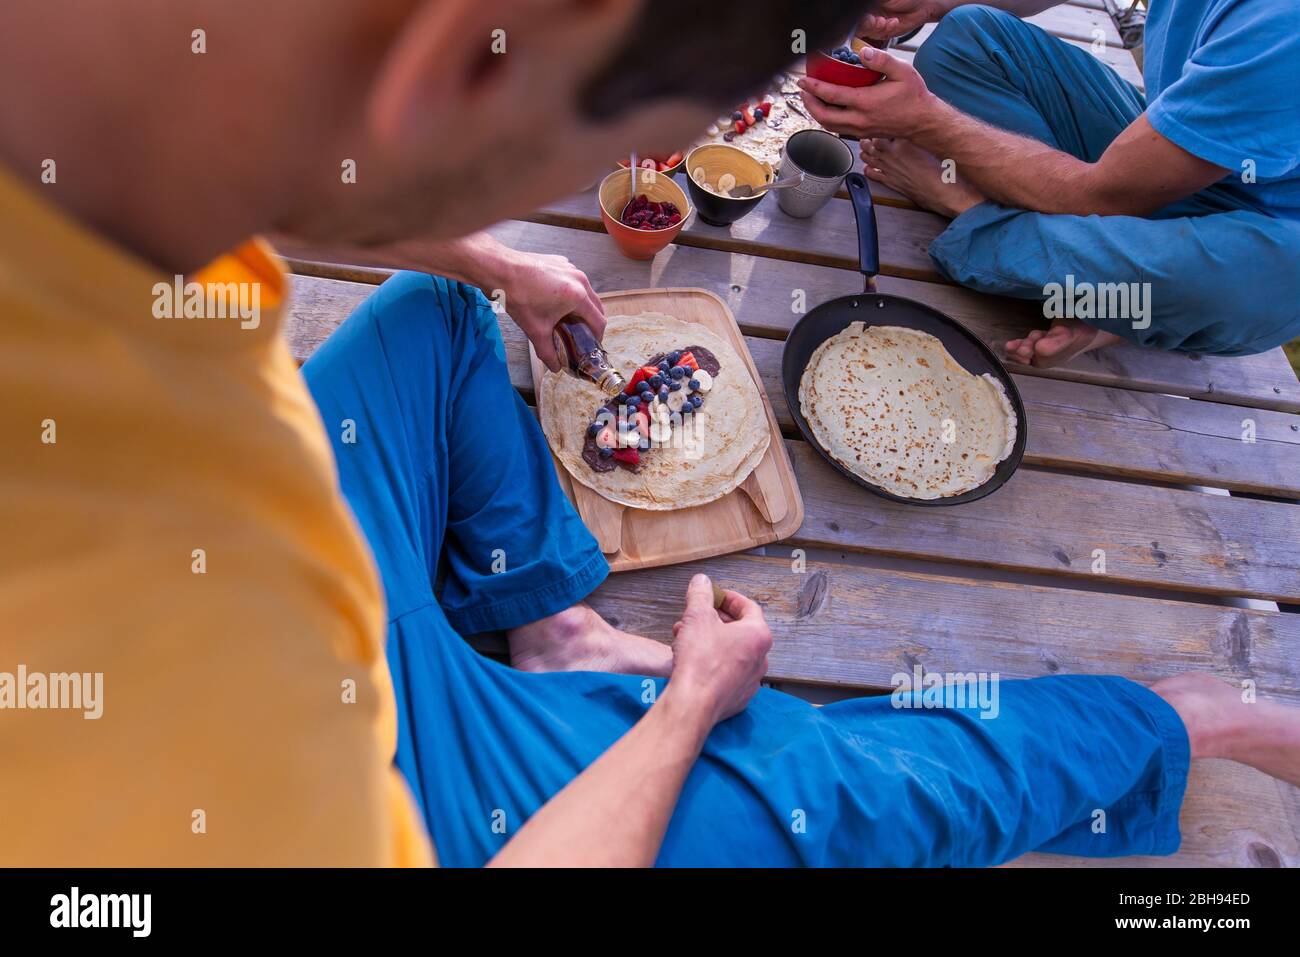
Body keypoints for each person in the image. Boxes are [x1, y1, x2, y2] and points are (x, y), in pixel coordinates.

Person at [3, 0, 1295, 867]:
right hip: (405, 786)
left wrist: (493, 262)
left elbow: (256, 172)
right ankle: (1181, 723)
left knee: (439, 305)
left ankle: (553, 625)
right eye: (625, 143)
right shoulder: (130, 744)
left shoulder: (84, 91)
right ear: (455, 69)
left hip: (288, 564)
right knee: (831, 793)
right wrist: (683, 708)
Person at [798, 0, 1300, 367]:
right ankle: (1101, 287)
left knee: (1229, 284)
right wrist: (933, 3)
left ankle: (973, 212)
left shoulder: (1283, 28)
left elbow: (1102, 192)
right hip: (1172, 152)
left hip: (1266, 242)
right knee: (969, 35)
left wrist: (929, 124)